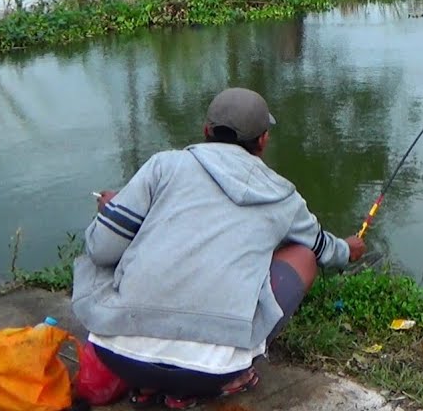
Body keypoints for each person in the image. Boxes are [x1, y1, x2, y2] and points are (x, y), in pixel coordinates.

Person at [71, 87, 366, 409]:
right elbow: (324, 249)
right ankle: (222, 380)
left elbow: (101, 250)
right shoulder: (282, 195)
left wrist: (114, 214)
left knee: (111, 242)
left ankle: (148, 383)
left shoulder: (163, 166)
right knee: (304, 257)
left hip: (119, 357)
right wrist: (348, 248)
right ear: (263, 140)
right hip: (215, 371)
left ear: (206, 131)